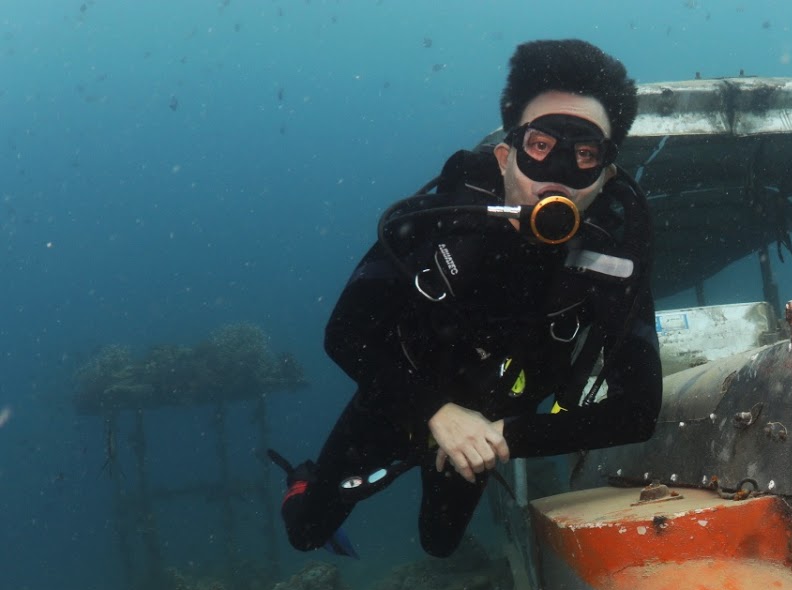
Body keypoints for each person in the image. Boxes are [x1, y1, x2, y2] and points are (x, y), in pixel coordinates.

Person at [276, 39, 660, 558]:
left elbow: (637, 411)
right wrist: (435, 412)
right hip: (399, 396)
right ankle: (300, 481)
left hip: (490, 424)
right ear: (505, 156)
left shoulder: (614, 254)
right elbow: (344, 334)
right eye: (542, 146)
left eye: (586, 155)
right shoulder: (442, 220)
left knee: (440, 544)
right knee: (305, 533)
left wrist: (504, 434)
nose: (558, 175)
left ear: (606, 177)